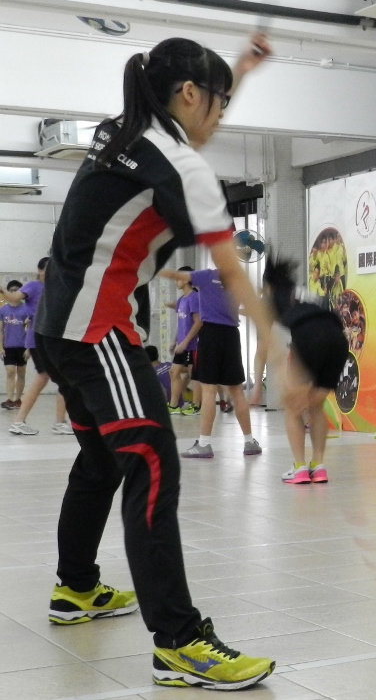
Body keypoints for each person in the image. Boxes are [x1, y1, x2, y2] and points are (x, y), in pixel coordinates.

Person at [33, 34, 283, 689]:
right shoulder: (181, 166)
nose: (221, 121)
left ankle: (76, 587)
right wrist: (278, 345)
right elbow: (231, 267)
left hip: (59, 326)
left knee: (100, 460)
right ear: (190, 95)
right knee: (148, 456)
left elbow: (195, 117)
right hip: (96, 325)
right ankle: (178, 638)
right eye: (218, 105)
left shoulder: (126, 130)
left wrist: (243, 69)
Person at [159, 266, 262, 458]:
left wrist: (151, 265)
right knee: (237, 390)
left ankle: (204, 444)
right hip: (231, 335)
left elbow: (176, 274)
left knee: (209, 389)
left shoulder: (206, 276)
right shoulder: (239, 276)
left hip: (211, 335)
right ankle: (250, 442)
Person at [262, 258, 348, 485]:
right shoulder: (306, 293)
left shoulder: (272, 298)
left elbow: (271, 340)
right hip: (338, 340)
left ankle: (299, 468)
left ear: (268, 287)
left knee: (292, 408)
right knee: (316, 405)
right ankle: (318, 466)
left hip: (309, 339)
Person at [2, 258, 72, 435]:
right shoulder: (33, 286)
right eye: (48, 269)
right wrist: (1, 288)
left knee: (57, 379)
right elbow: (13, 297)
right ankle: (22, 422)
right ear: (40, 271)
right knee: (47, 378)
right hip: (38, 339)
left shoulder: (58, 287)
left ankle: (57, 422)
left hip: (53, 339)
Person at [166, 266, 201, 414]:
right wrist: (175, 341)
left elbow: (198, 322)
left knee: (195, 375)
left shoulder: (194, 298)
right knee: (174, 372)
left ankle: (196, 405)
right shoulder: (181, 300)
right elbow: (181, 323)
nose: (176, 281)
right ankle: (174, 405)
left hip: (192, 345)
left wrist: (186, 342)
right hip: (182, 344)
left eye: (178, 278)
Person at [0, 280, 29, 410]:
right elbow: (0, 330)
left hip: (22, 346)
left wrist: (29, 348)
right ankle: (10, 399)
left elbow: (30, 330)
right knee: (10, 372)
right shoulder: (3, 310)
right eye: (11, 290)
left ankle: (18, 399)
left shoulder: (26, 309)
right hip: (8, 346)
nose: (13, 292)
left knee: (21, 373)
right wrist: (0, 347)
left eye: (16, 290)